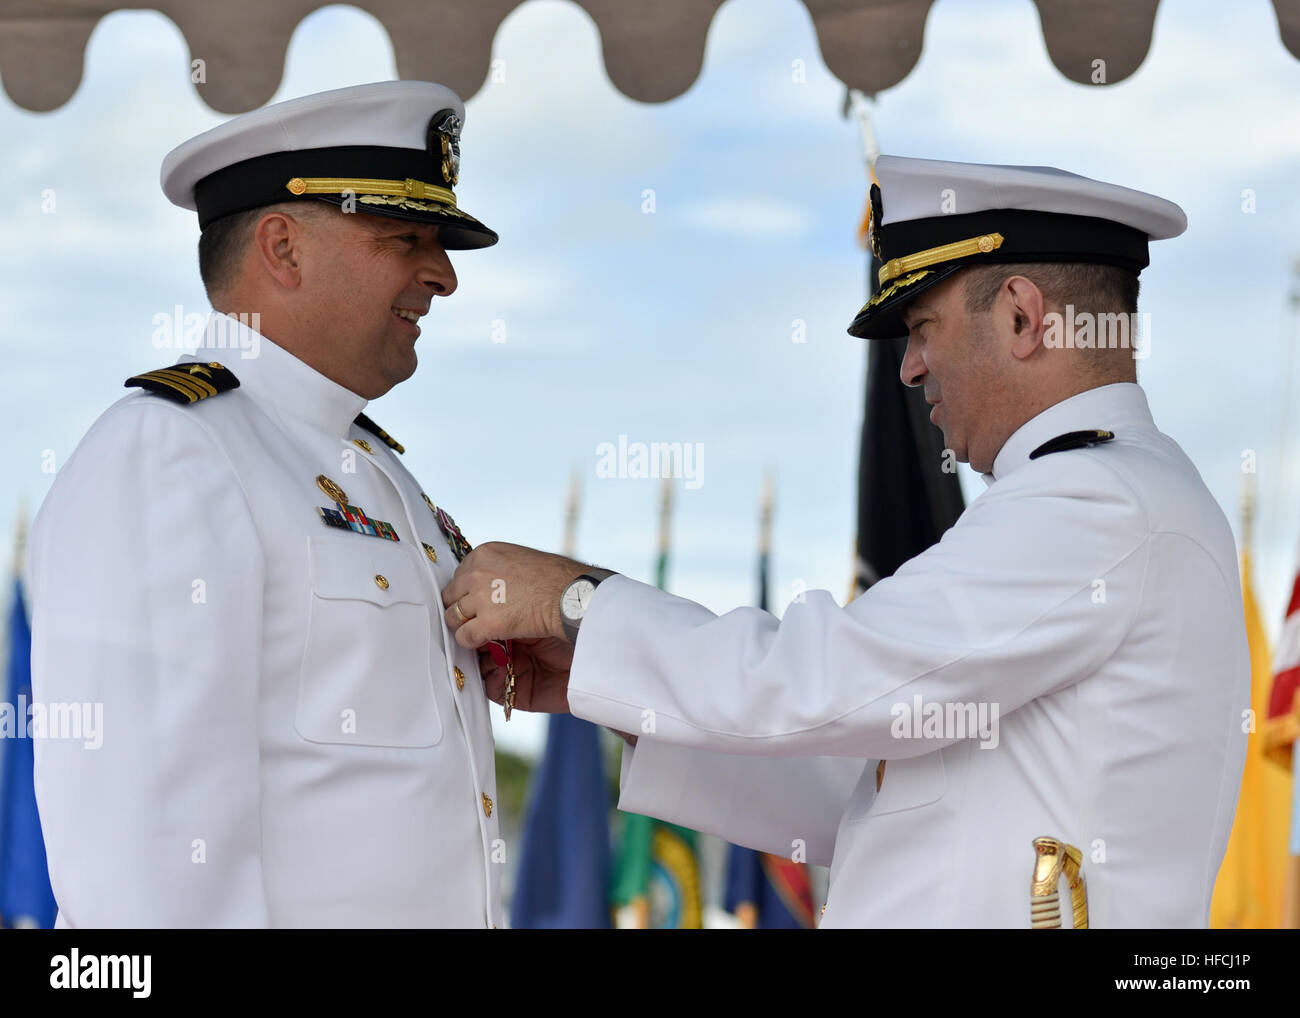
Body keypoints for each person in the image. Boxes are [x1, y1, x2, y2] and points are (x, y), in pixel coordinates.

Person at [442, 156, 1250, 927]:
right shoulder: (1104, 495)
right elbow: (874, 797)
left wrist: (582, 604)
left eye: (922, 328)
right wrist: (617, 694)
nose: (911, 368)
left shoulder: (1097, 499)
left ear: (1021, 315)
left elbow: (833, 677)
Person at [27, 81, 507, 927]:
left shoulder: (377, 470)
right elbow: (147, 847)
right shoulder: (173, 452)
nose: (442, 276)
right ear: (282, 248)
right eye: (406, 237)